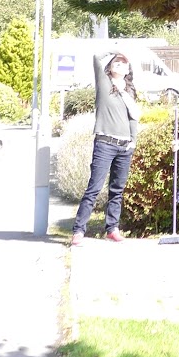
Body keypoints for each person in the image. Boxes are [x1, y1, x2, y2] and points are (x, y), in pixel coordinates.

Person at [70, 51, 139, 245]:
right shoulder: (104, 83)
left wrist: (133, 140)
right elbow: (95, 58)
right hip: (105, 143)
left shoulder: (130, 90)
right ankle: (78, 231)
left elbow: (133, 118)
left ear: (128, 69)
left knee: (117, 189)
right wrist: (115, 51)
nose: (119, 64)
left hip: (124, 146)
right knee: (94, 188)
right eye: (116, 62)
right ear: (110, 66)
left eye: (123, 62)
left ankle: (112, 228)